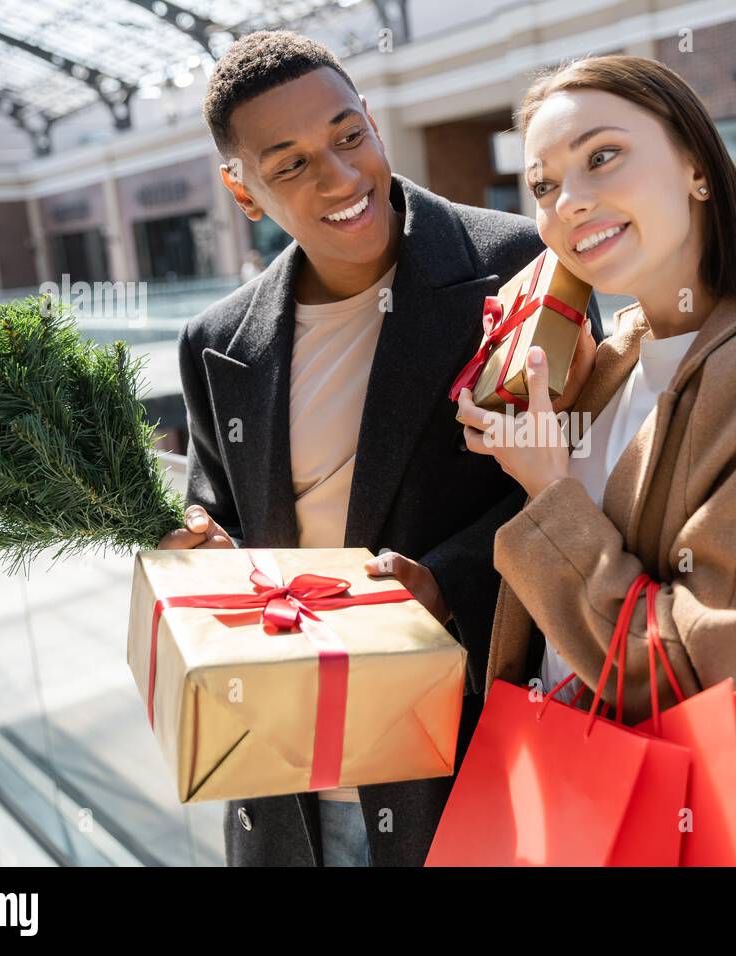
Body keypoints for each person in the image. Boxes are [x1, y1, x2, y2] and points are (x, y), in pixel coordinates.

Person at [158, 30, 602, 867]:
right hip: (287, 779)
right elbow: (217, 511)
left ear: (372, 121)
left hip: (466, 760)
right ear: (241, 190)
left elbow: (579, 479)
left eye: (347, 136)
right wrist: (199, 543)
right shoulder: (215, 340)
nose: (337, 177)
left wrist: (445, 582)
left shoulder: (517, 267)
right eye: (288, 164)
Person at [456, 54, 736, 866]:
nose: (568, 199)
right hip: (578, 805)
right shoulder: (612, 362)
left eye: (603, 156)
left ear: (696, 167)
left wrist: (549, 492)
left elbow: (706, 680)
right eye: (543, 185)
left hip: (708, 829)